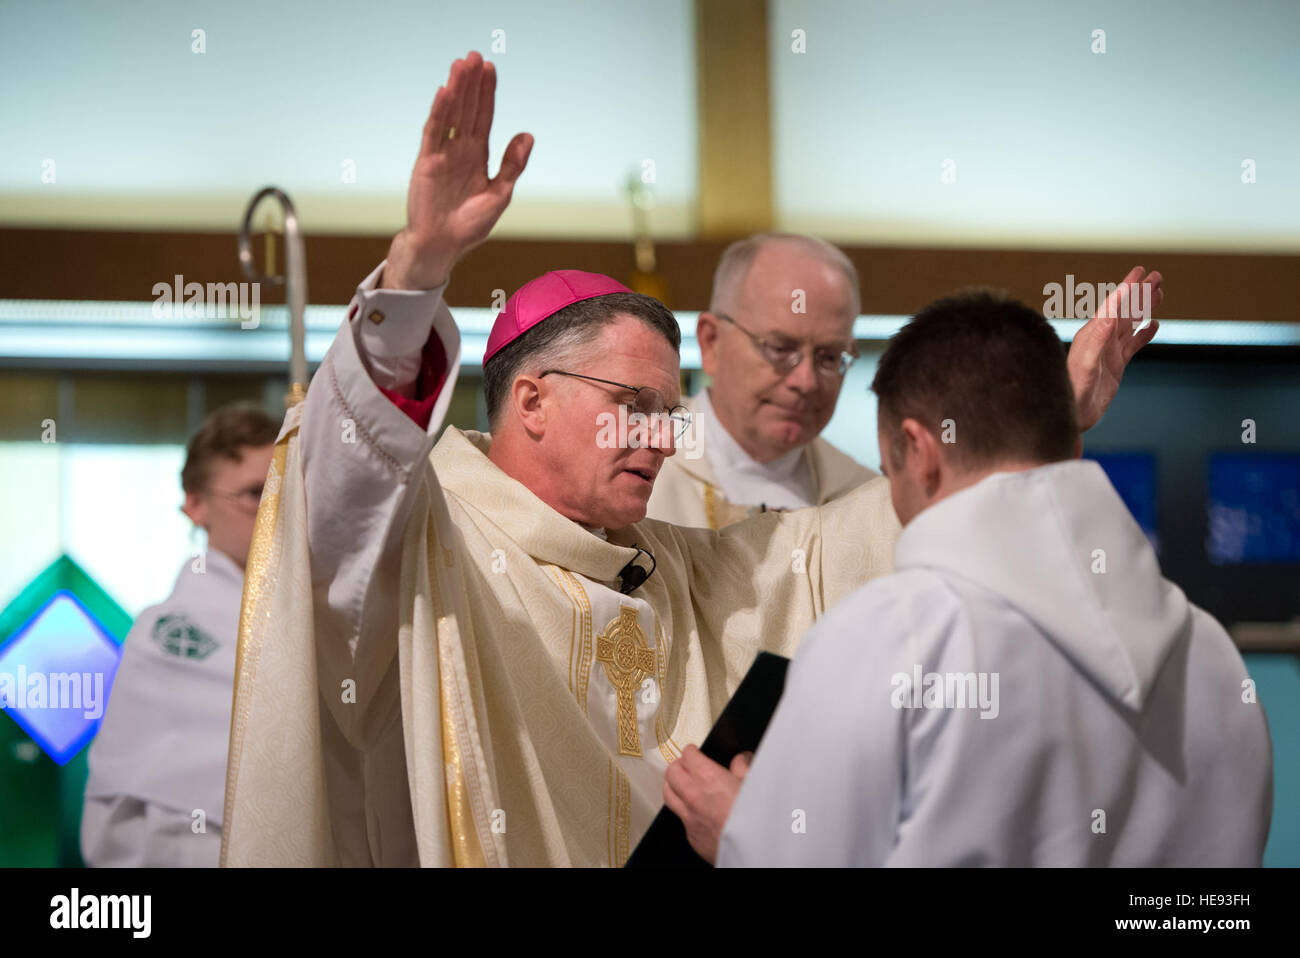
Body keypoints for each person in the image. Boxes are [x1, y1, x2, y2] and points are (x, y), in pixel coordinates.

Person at [220, 52, 1157, 867]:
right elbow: (337, 483)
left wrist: (1038, 415)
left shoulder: (689, 570)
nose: (662, 440)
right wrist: (419, 271)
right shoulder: (426, 533)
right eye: (633, 408)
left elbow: (836, 548)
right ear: (533, 399)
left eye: (671, 415)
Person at [662, 290, 1273, 867]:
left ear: (919, 450)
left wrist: (747, 841)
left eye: (888, 469)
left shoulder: (892, 638)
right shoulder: (1213, 656)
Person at [81, 401, 279, 867]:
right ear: (196, 505)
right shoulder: (165, 633)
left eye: (285, 493)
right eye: (254, 494)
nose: (275, 512)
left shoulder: (314, 611)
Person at [645, 234, 876, 528]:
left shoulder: (868, 500)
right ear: (711, 342)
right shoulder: (635, 472)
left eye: (829, 357)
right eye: (780, 348)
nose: (806, 382)